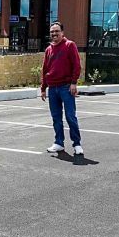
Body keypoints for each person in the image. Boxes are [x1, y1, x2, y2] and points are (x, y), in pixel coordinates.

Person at [40, 21, 83, 156]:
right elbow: (45, 69)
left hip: (66, 87)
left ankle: (77, 144)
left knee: (70, 116)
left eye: (56, 31)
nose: (54, 34)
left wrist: (73, 83)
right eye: (52, 32)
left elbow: (77, 65)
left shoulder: (70, 45)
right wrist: (43, 88)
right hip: (52, 89)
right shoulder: (49, 50)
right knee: (56, 118)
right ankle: (59, 143)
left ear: (62, 33)